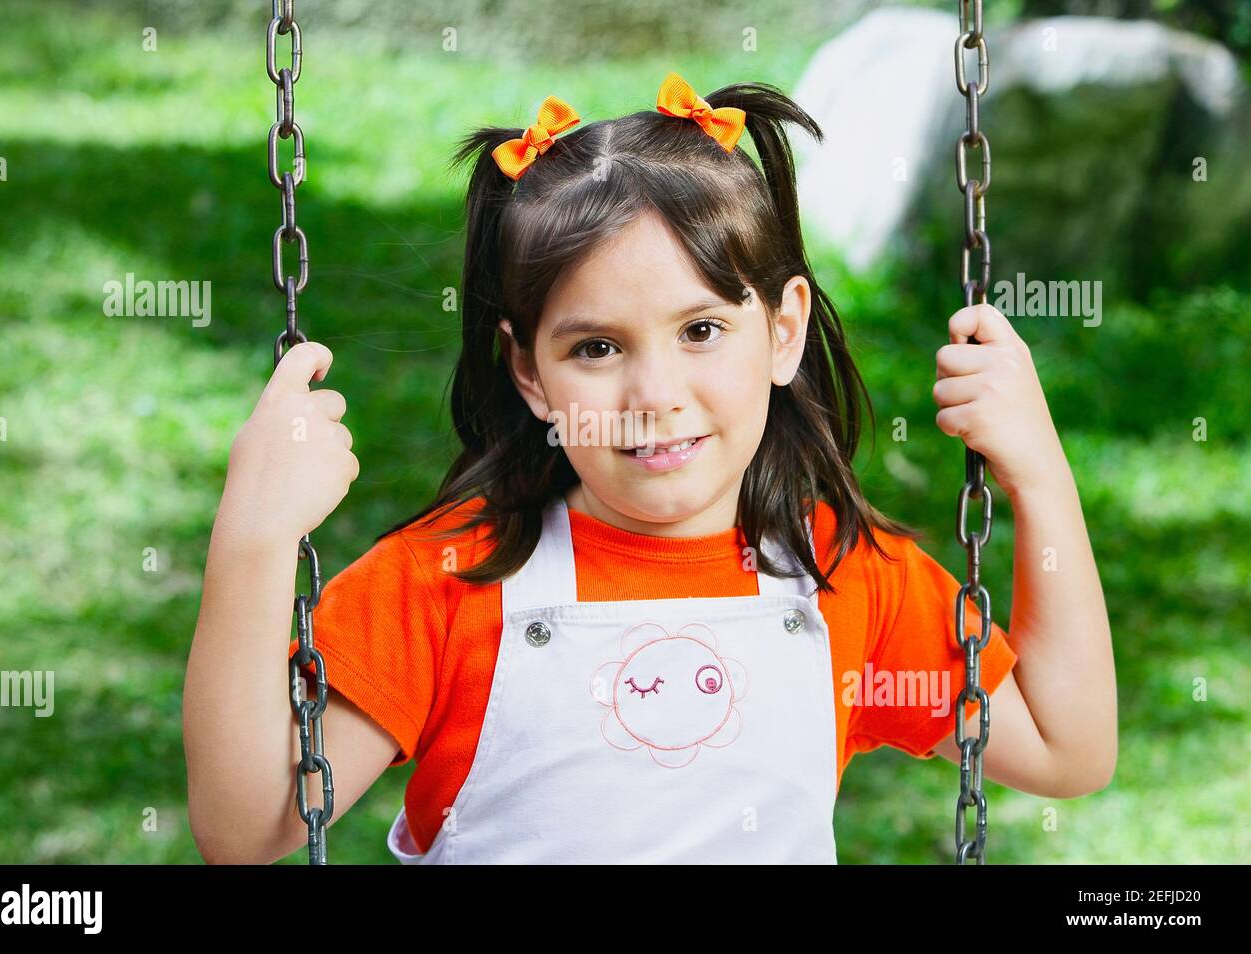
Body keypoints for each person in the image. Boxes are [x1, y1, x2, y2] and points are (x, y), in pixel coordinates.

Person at [184, 72, 1117, 865]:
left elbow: (1066, 748)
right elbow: (246, 827)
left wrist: (1038, 476)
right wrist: (254, 542)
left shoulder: (843, 577)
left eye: (701, 331)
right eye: (596, 348)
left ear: (783, 329)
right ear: (529, 372)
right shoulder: (449, 584)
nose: (653, 392)